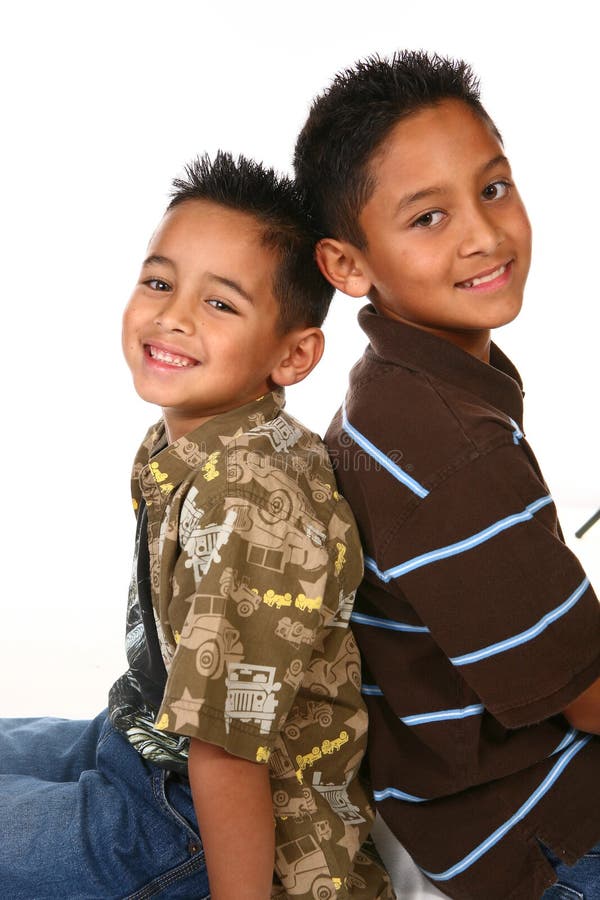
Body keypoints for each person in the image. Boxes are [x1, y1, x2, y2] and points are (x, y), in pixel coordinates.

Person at [0, 153, 394, 900]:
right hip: (143, 744)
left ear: (294, 354)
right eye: (159, 282)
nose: (172, 315)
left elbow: (229, 753)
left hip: (201, 825)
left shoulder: (248, 508)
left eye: (220, 304)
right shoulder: (192, 440)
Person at [293, 51, 600, 900]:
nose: (484, 234)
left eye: (493, 188)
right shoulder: (451, 451)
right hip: (539, 836)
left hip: (457, 795)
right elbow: (588, 699)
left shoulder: (395, 389)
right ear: (348, 266)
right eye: (429, 218)